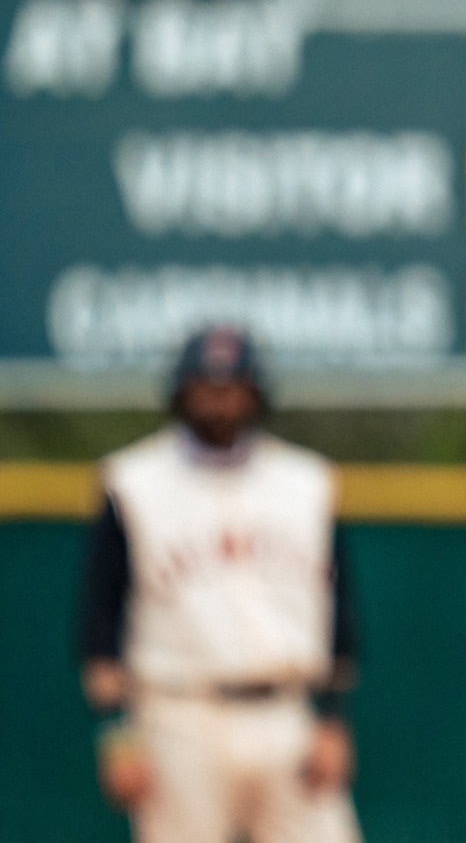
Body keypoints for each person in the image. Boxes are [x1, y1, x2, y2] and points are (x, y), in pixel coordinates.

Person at [78, 325, 361, 843]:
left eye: (232, 388)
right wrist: (117, 736)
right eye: (206, 388)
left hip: (286, 716)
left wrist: (332, 720)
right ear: (181, 393)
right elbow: (101, 619)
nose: (220, 402)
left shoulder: (306, 482)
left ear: (256, 393)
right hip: (179, 718)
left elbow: (338, 608)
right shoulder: (133, 482)